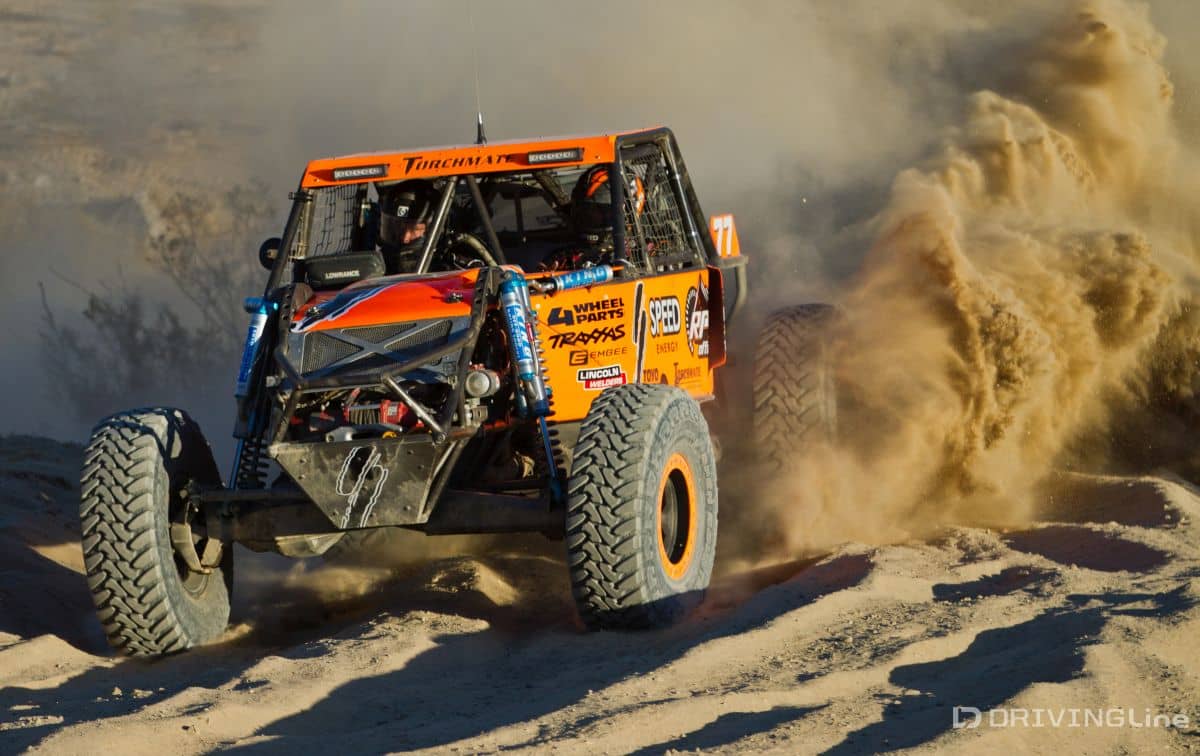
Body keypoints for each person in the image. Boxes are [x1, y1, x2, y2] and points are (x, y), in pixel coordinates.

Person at [544, 166, 645, 271]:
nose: (590, 217)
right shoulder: (563, 258)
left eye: (598, 212)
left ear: (625, 213)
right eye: (585, 211)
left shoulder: (640, 255)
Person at [376, 179, 436, 274]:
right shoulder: (377, 265)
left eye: (415, 229)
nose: (405, 238)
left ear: (431, 229)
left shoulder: (446, 271)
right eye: (399, 227)